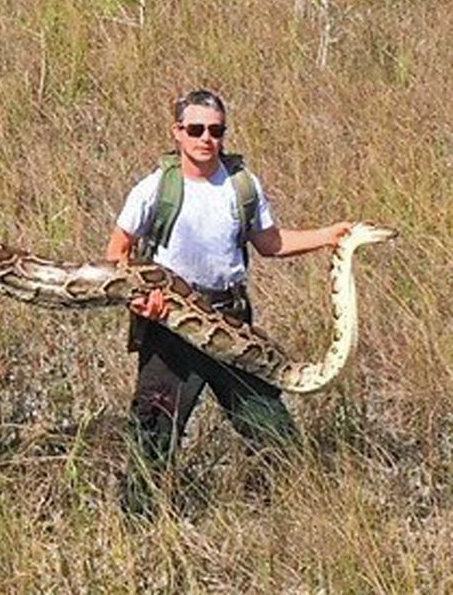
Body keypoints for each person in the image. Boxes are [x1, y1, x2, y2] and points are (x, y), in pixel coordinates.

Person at [105, 88, 351, 515]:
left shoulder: (241, 185)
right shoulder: (155, 188)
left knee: (272, 427)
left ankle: (290, 512)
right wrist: (142, 300)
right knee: (153, 434)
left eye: (216, 131)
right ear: (177, 132)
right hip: (170, 328)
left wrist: (329, 236)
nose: (206, 138)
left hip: (231, 322)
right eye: (196, 129)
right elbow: (117, 253)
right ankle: (139, 526)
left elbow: (270, 243)